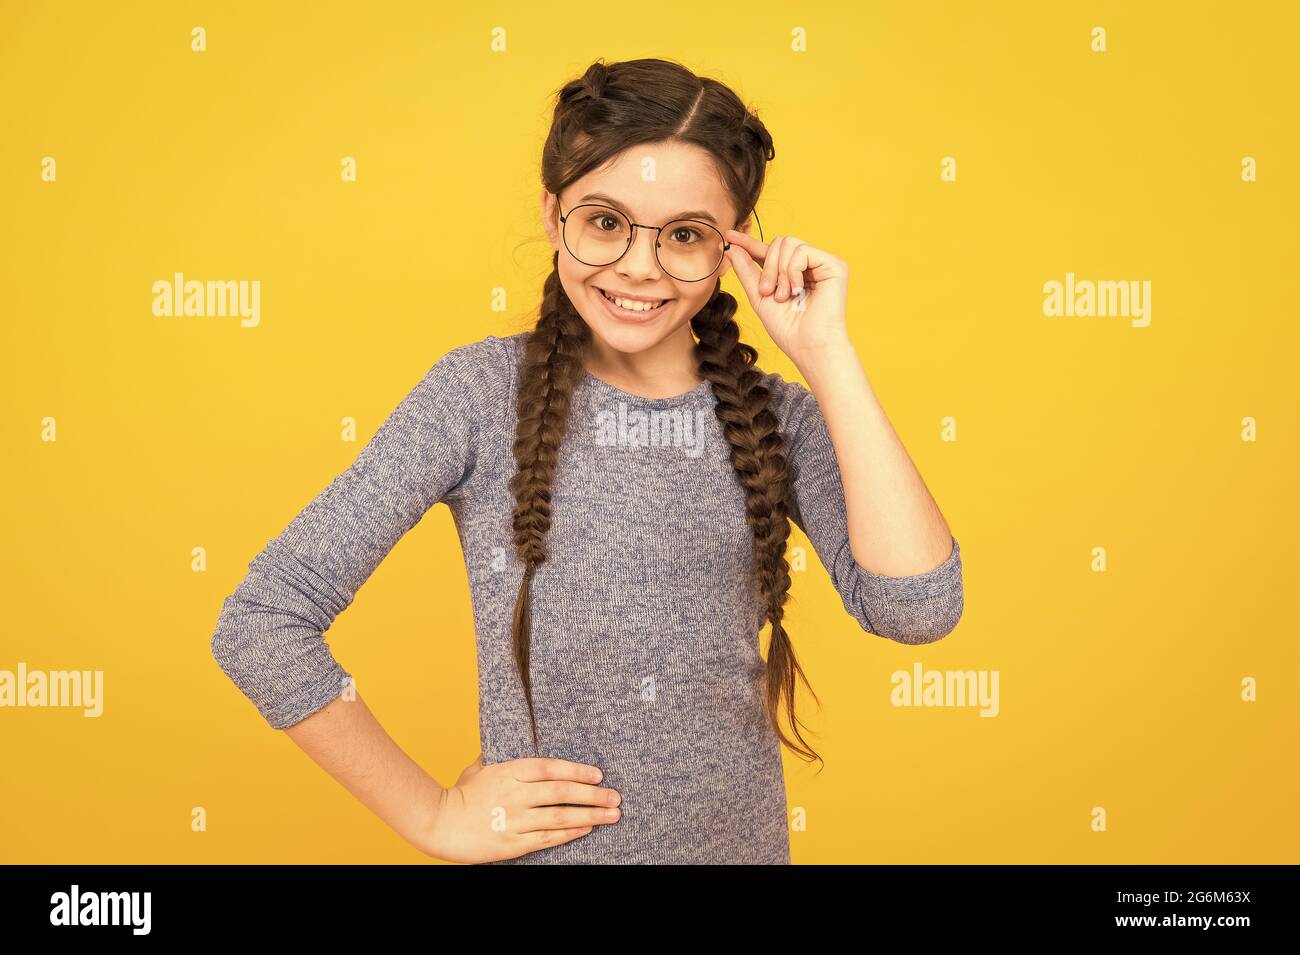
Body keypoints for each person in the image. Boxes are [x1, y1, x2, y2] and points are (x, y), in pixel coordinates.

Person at [210, 56, 965, 865]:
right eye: (605, 222)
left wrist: (829, 357)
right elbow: (261, 623)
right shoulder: (476, 395)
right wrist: (430, 814)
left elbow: (916, 609)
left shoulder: (780, 415)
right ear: (551, 212)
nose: (640, 267)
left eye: (684, 235)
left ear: (734, 243)